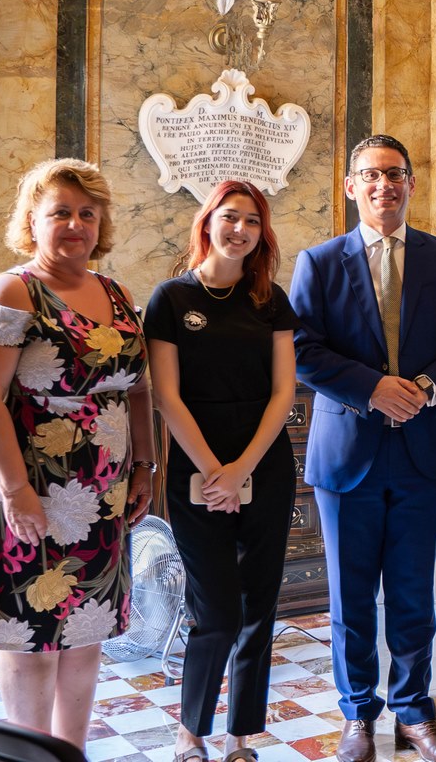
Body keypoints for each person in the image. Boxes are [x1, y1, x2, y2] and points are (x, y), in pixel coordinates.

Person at [290, 135, 436, 762]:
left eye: (396, 175)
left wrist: (426, 388)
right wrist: (373, 388)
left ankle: (414, 712)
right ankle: (357, 715)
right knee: (350, 597)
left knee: (412, 591)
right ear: (351, 186)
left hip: (424, 448)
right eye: (371, 176)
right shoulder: (318, 263)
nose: (385, 186)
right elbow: (302, 351)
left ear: (409, 183)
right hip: (347, 452)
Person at [0, 158, 154, 748]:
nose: (75, 224)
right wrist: (16, 493)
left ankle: (72, 753)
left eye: (87, 213)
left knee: (87, 632)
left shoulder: (115, 292)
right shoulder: (13, 290)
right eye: (60, 212)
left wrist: (145, 466)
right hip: (29, 491)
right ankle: (29, 756)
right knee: (32, 639)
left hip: (101, 496)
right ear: (32, 221)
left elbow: (137, 389)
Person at [145, 180, 299, 762]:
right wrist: (217, 473)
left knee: (259, 605)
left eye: (253, 221)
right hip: (196, 466)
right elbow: (166, 396)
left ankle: (240, 735)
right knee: (215, 610)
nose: (241, 230)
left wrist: (243, 469)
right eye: (230, 217)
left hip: (264, 460)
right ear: (207, 222)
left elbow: (284, 394)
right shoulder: (171, 299)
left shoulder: (271, 300)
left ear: (263, 233)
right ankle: (191, 730)